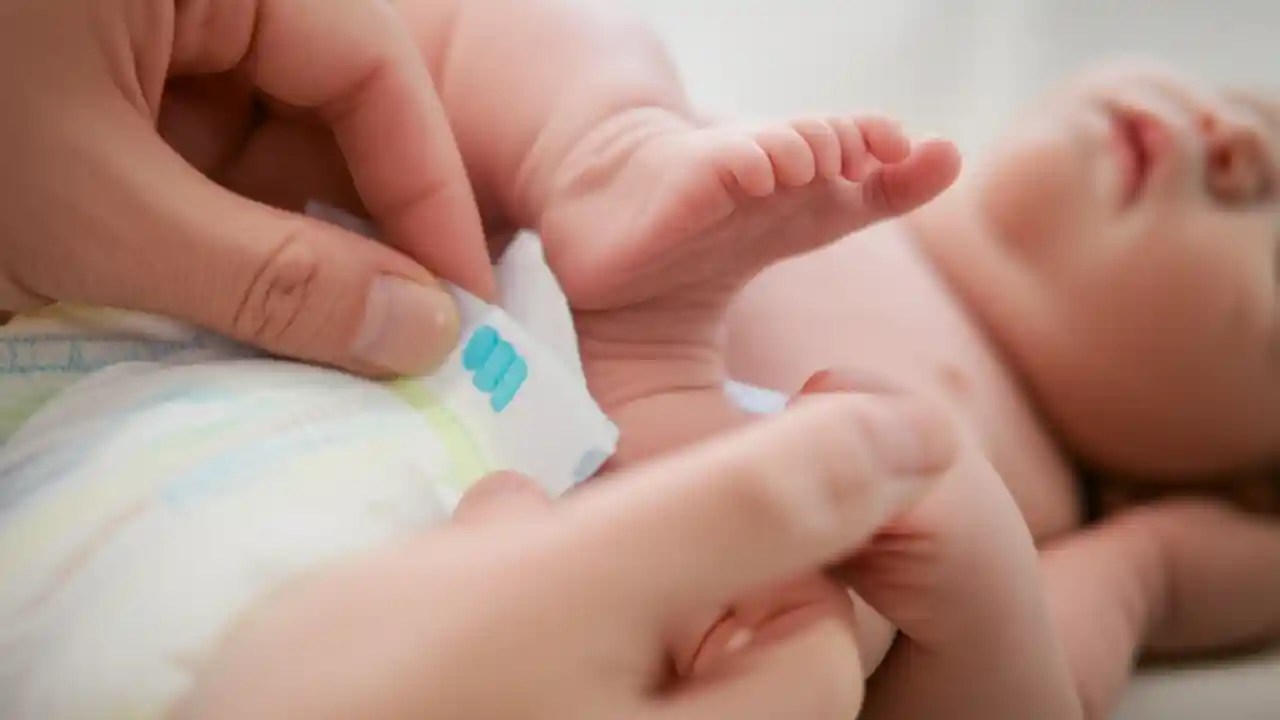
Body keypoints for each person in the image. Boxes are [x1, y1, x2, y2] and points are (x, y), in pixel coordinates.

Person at [1, 1, 1076, 718]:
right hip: (369, 297)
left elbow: (1054, 681)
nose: (1237, 132)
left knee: (842, 603)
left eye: (1256, 246)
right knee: (518, 36)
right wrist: (604, 130)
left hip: (462, 563)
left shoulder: (1066, 499)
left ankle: (657, 373)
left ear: (1246, 470)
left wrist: (1006, 595)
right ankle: (603, 151)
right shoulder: (809, 158)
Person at [728, 61, 1280, 717]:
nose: (1244, 139)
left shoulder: (1017, 543)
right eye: (1256, 105)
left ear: (1245, 485)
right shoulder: (825, 153)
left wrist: (1152, 570)